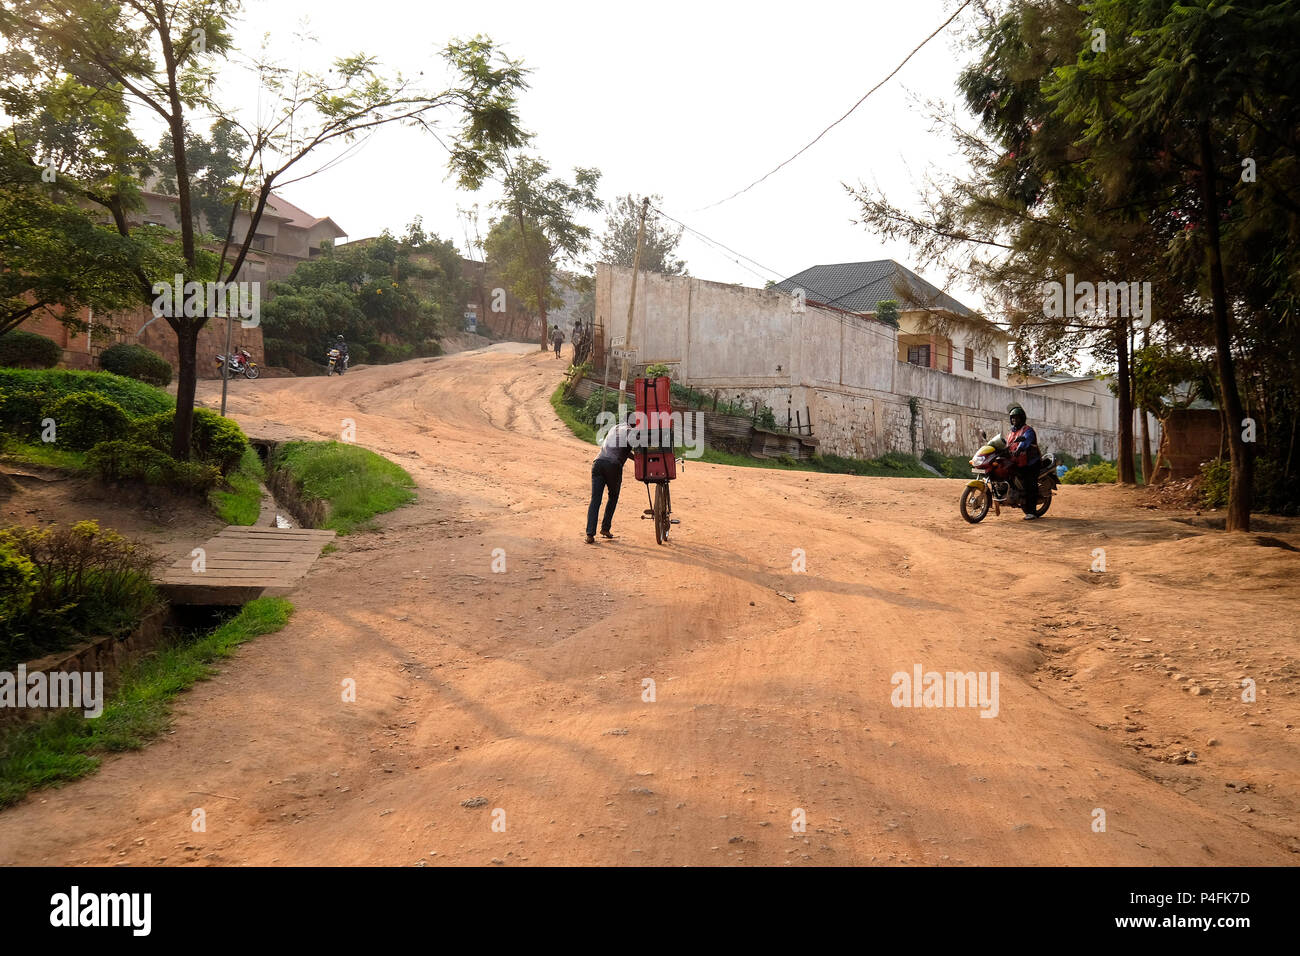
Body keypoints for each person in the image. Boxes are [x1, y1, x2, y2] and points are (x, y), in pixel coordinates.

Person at [586, 411, 640, 543]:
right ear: (632, 422)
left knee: (595, 499)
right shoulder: (629, 431)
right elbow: (638, 446)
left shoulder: (614, 428)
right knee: (613, 496)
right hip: (613, 466)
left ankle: (589, 534)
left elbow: (623, 449)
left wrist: (635, 459)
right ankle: (605, 528)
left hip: (597, 463)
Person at [1007, 404, 1041, 520]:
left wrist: (1019, 449)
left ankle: (1032, 512)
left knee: (1029, 484)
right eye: (1012, 418)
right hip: (1017, 462)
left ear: (1022, 418)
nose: (1014, 420)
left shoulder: (1028, 430)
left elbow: (1025, 441)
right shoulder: (1011, 432)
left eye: (1016, 418)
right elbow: (1008, 444)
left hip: (1031, 463)